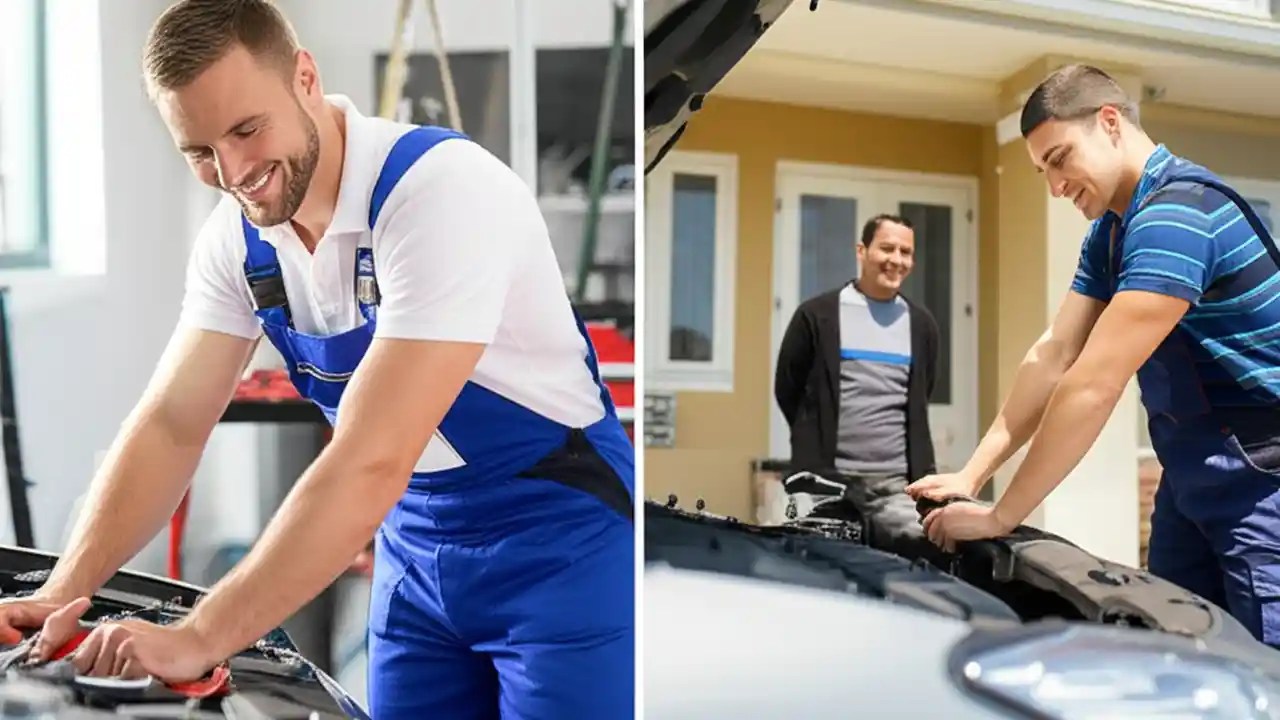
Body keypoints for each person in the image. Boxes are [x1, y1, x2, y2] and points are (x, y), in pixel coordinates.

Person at [0, 0, 635, 716]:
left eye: (246, 129)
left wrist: (199, 636)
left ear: (305, 77)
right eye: (201, 152)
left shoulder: (439, 193)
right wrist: (63, 587)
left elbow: (372, 454)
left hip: (559, 548)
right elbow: (173, 423)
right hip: (415, 559)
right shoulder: (237, 244)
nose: (234, 171)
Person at [907, 64, 1280, 646]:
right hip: (1190, 481)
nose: (1055, 187)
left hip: (1263, 485)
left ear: (1110, 123)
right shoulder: (1113, 230)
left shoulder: (1178, 215)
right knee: (1182, 657)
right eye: (1041, 171)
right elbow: (1053, 354)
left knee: (1263, 676)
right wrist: (972, 474)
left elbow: (1092, 384)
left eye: (1059, 159)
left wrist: (1001, 516)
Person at [774, 214, 941, 558]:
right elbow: (788, 388)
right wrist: (815, 437)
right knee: (818, 577)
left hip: (899, 490)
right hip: (826, 486)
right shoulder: (815, 316)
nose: (897, 260)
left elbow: (922, 396)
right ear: (862, 251)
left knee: (910, 578)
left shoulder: (922, 325)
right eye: (887, 248)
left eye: (906, 252)